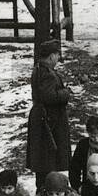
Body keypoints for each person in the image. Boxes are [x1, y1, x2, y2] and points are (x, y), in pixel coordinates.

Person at [26, 40, 71, 187]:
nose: (58, 58)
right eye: (57, 55)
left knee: (43, 163)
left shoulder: (38, 69)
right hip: (50, 125)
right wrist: (65, 93)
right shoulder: (48, 74)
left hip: (43, 122)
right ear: (51, 56)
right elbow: (48, 96)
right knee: (49, 162)